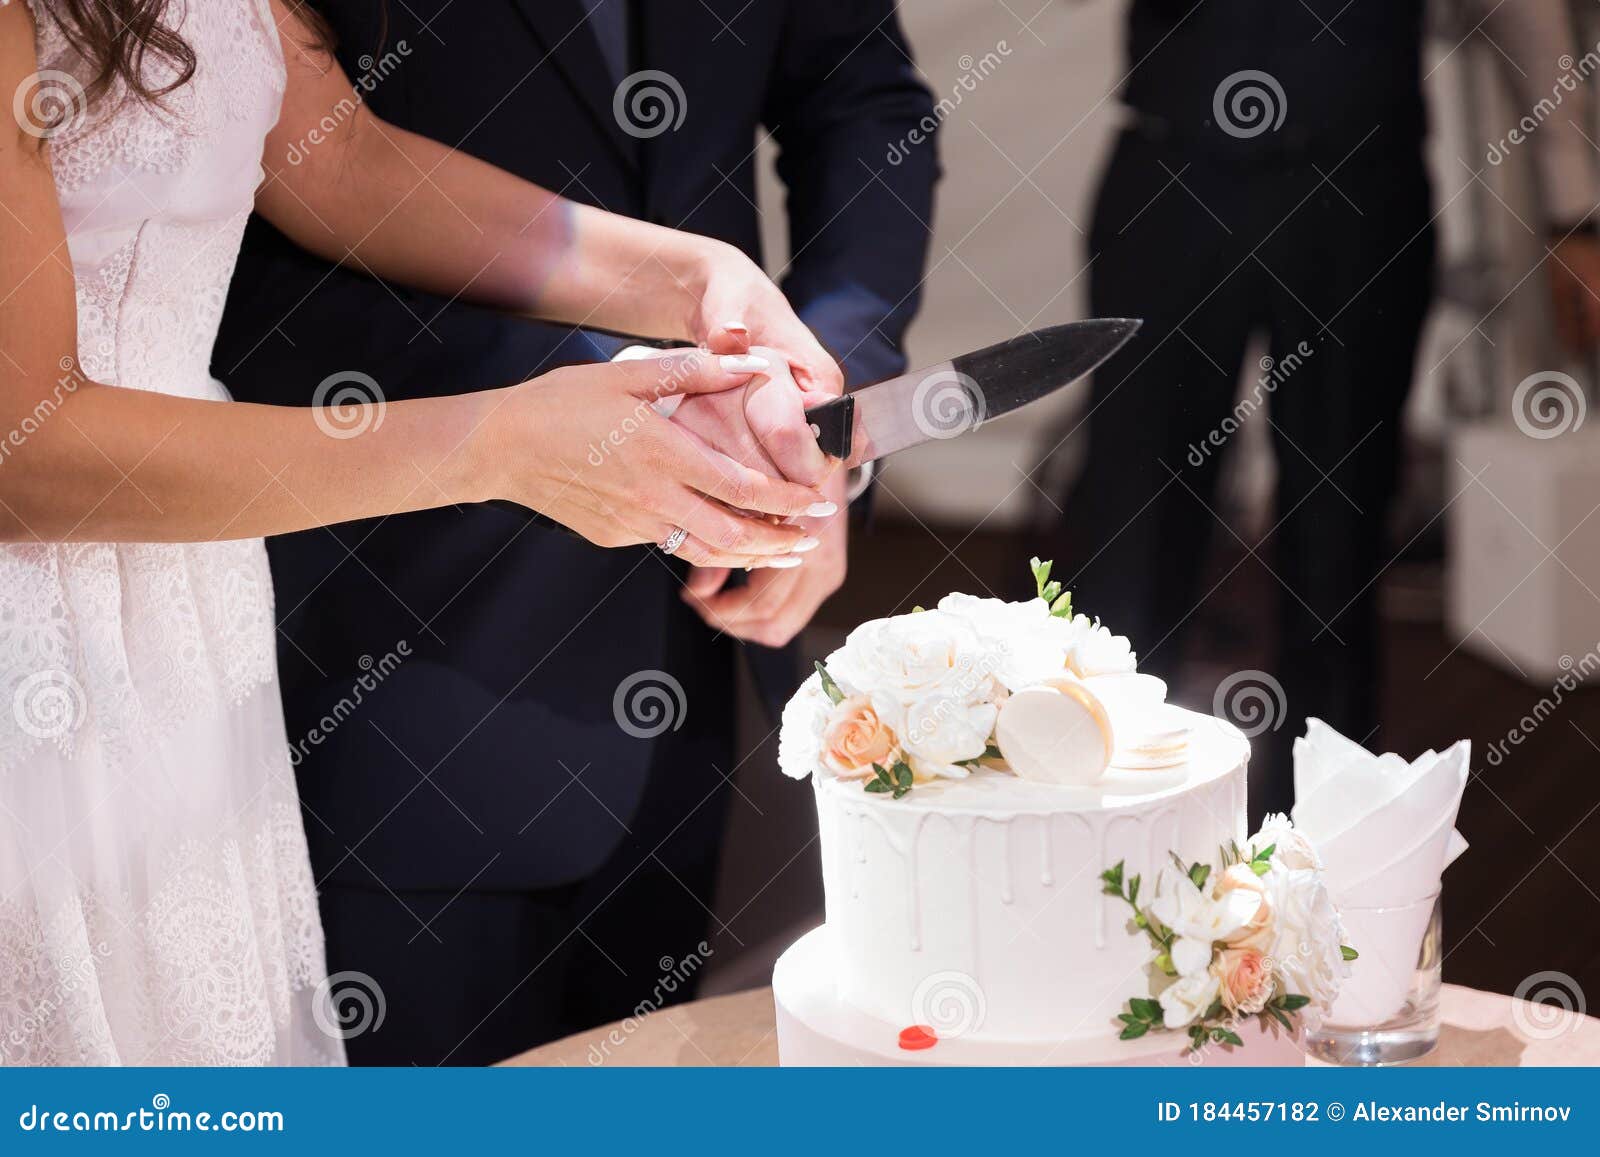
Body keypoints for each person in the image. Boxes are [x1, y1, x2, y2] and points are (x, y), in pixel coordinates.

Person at [0, 0, 845, 1064]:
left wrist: (688, 278)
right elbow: (22, 455)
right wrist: (497, 444)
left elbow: (337, 159)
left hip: (185, 604)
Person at [210, 2, 937, 1064]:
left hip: (688, 652)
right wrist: (661, 405)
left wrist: (815, 423)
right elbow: (304, 186)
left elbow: (859, 94)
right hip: (390, 631)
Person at [1046, 0, 1600, 822]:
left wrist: (1572, 201)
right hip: (1173, 168)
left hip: (1359, 180)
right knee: (1133, 528)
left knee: (1339, 538)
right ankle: (1096, 825)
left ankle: (1331, 857)